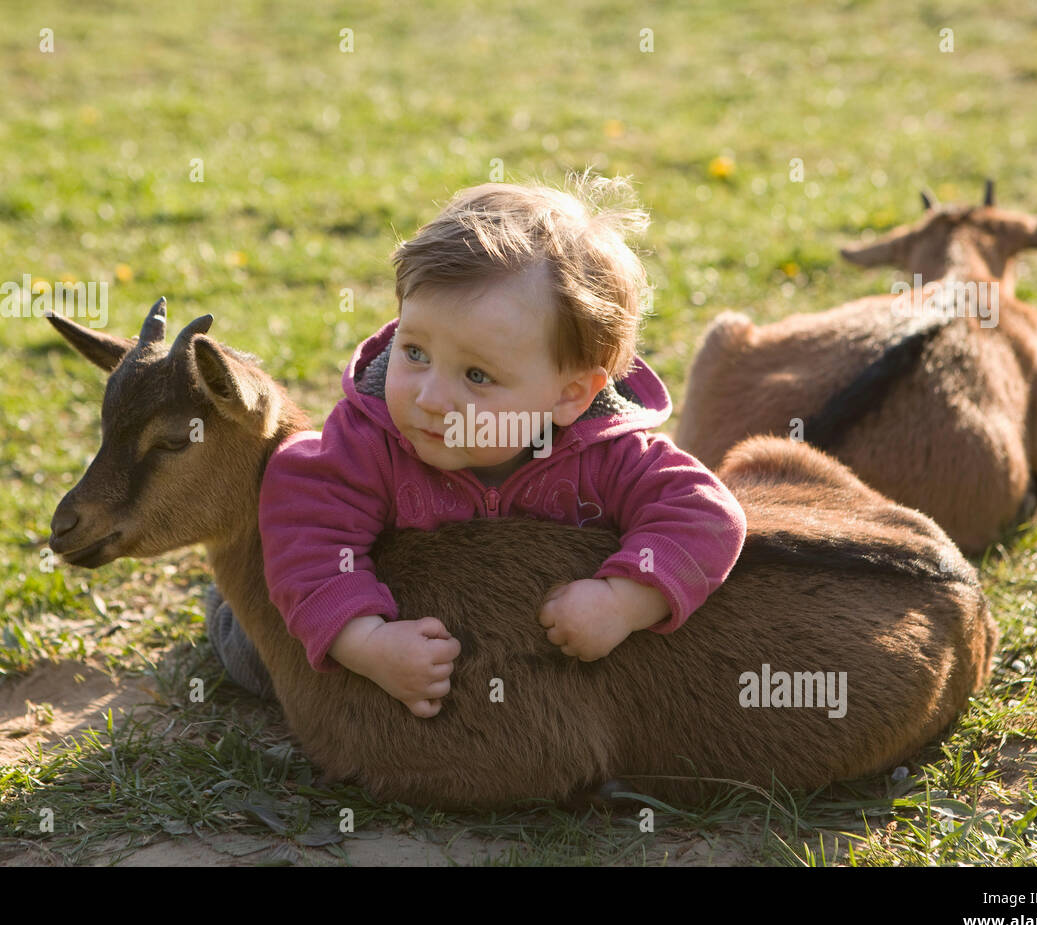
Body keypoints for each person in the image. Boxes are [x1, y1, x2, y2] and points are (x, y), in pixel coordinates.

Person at [209, 170, 747, 717]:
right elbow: (307, 525)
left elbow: (707, 516)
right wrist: (366, 642)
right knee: (259, 659)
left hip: (492, 641)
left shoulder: (608, 454)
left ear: (570, 395)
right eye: (415, 352)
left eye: (477, 376)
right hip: (367, 610)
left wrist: (626, 600)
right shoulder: (369, 440)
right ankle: (224, 611)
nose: (431, 398)